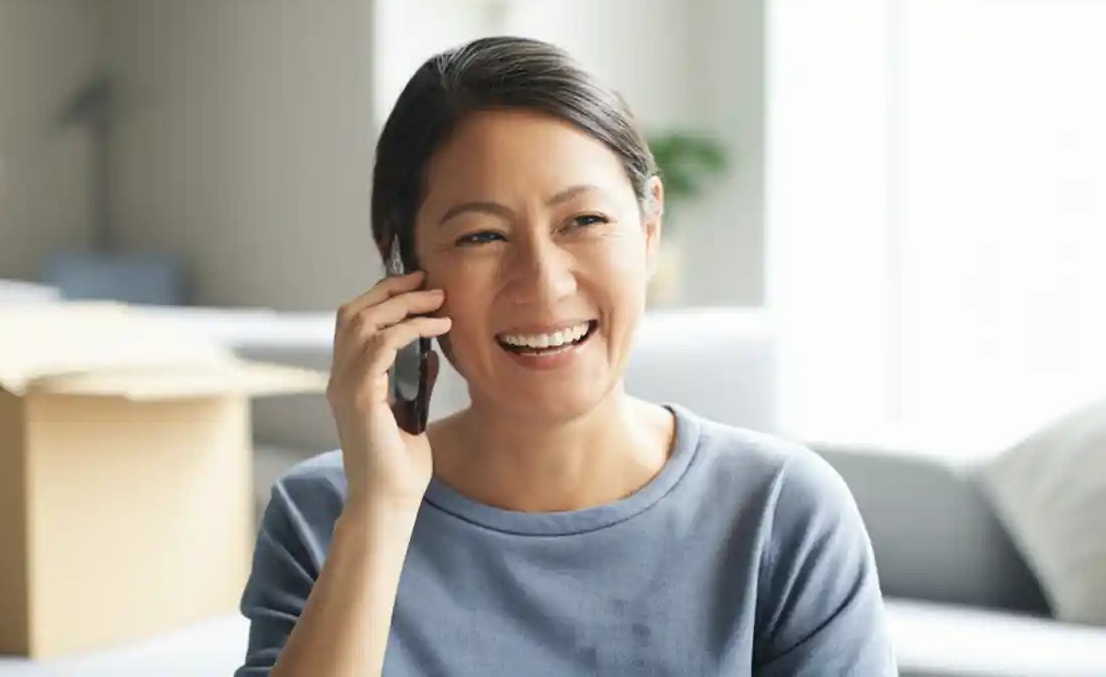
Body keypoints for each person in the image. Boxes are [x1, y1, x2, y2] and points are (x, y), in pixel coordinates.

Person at [234, 36, 897, 676]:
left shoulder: (782, 512)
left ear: (648, 228)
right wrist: (380, 509)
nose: (544, 282)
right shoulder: (326, 515)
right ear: (402, 262)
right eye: (482, 235)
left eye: (583, 222)